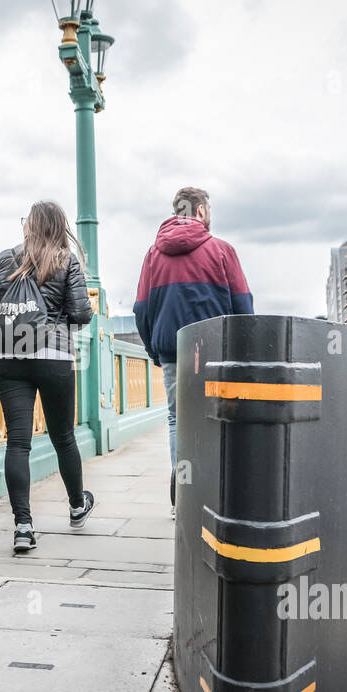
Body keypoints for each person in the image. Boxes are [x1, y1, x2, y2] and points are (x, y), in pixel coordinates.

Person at [132, 187, 255, 512]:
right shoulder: (222, 251)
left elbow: (141, 309)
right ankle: (214, 495)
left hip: (172, 352)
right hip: (217, 350)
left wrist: (154, 351)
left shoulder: (153, 255)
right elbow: (243, 305)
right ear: (200, 211)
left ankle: (184, 497)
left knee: (178, 419)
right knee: (218, 417)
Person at [0, 200, 96, 553]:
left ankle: (23, 527)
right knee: (63, 437)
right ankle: (77, 506)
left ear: (29, 225)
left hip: (9, 356)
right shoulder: (67, 260)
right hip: (53, 355)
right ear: (60, 227)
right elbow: (81, 314)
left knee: (18, 443)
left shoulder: (4, 258)